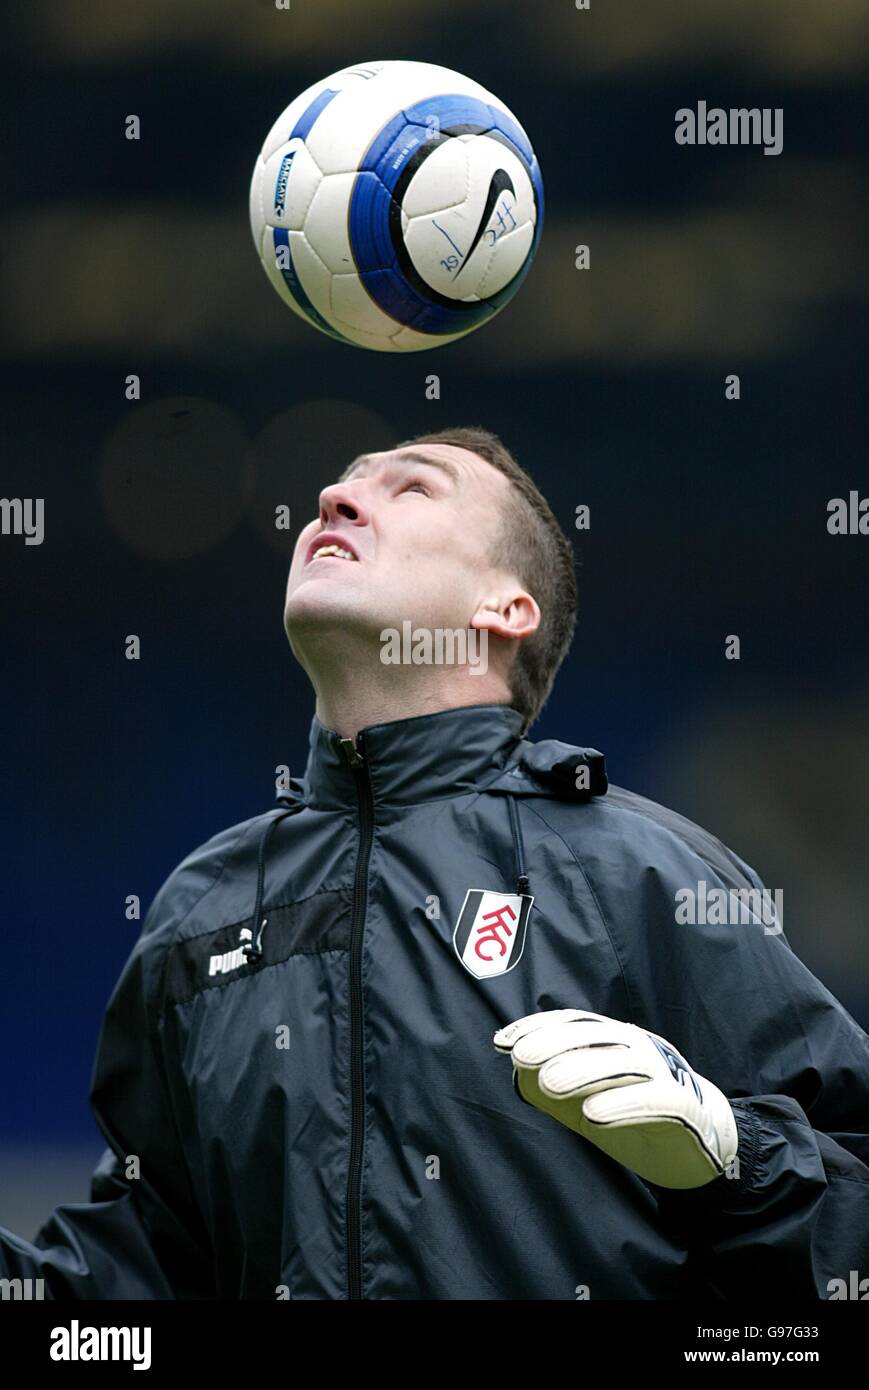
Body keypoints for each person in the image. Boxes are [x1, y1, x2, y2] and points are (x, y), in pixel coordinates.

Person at [2, 425, 867, 1300]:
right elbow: (132, 1284)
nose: (331, 502)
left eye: (411, 488)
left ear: (506, 607)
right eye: (339, 485)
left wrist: (733, 1152)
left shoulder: (638, 872)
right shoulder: (203, 907)